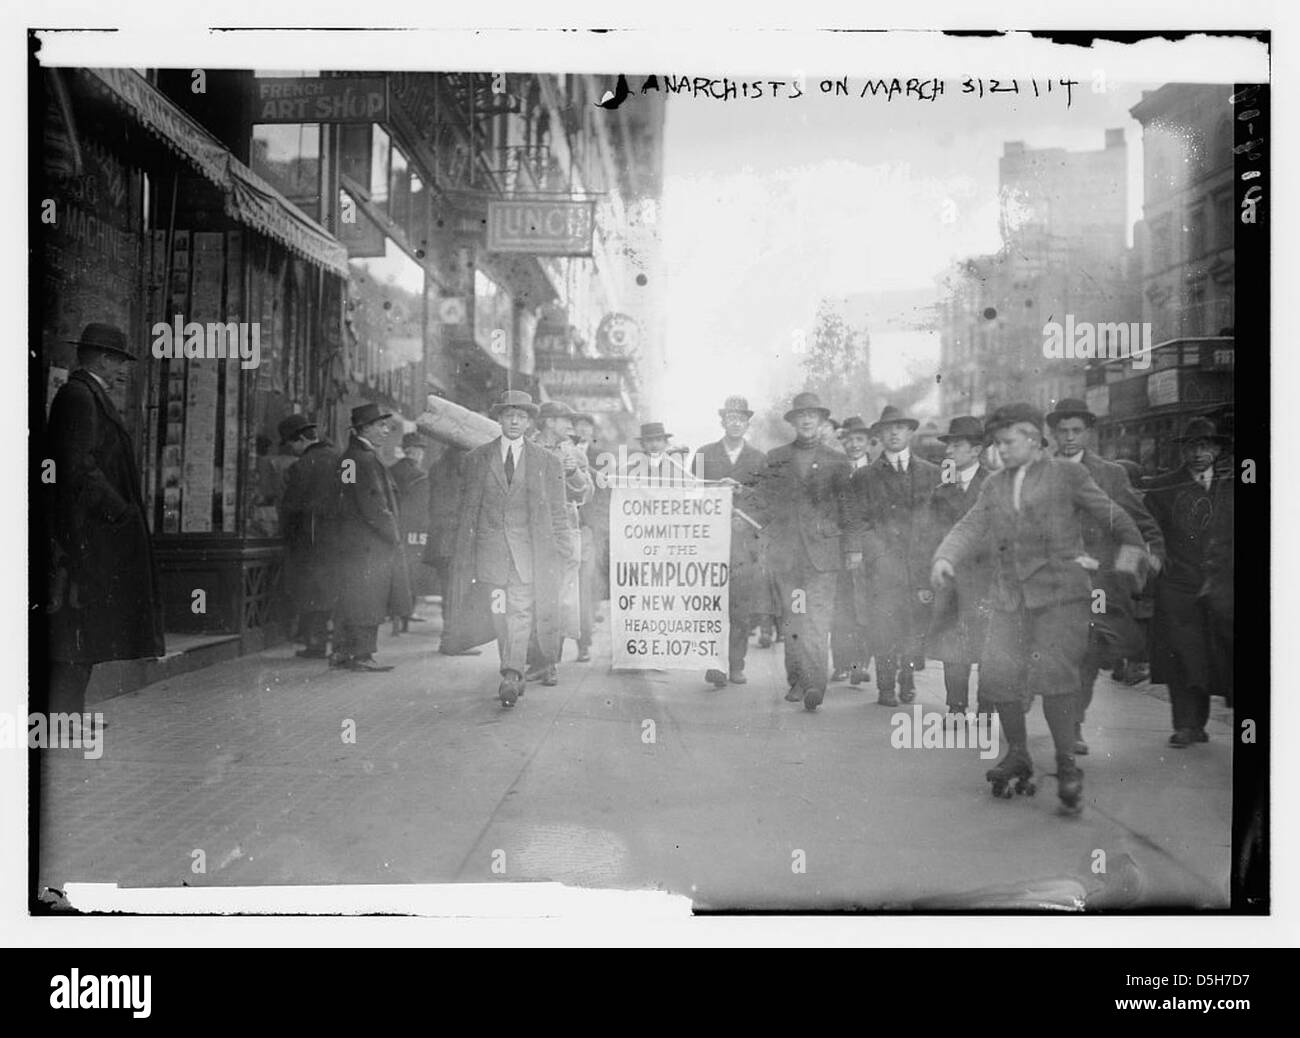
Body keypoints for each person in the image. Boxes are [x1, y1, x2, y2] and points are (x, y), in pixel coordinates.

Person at [931, 403, 1146, 812]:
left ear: (1032, 439)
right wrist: (945, 557)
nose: (1001, 450)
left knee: (1056, 677)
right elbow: (971, 525)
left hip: (1060, 595)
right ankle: (1018, 753)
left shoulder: (1068, 474)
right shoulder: (994, 485)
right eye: (996, 443)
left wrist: (1131, 557)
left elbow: (1114, 515)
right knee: (998, 677)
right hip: (1010, 597)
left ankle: (1067, 766)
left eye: (1008, 442)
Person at [45, 322, 164, 713]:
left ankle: (70, 714)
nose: (123, 370)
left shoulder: (86, 395)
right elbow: (79, 466)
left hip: (93, 533)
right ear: (101, 357)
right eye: (118, 361)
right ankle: (64, 718)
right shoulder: (79, 396)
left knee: (86, 627)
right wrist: (119, 510)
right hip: (85, 535)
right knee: (76, 629)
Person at [1047, 399, 1165, 753]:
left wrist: (1149, 556)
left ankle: (1074, 725)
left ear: (1088, 432)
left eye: (1076, 431)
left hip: (1095, 585)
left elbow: (1141, 523)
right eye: (1063, 431)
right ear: (1052, 433)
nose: (1069, 438)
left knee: (1086, 655)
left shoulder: (1111, 474)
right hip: (1048, 579)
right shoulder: (1039, 470)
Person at [441, 390, 573, 708]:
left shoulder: (547, 461)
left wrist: (564, 549)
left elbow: (559, 511)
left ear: (529, 422)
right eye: (508, 415)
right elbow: (464, 508)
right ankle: (513, 669)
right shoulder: (476, 459)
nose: (514, 421)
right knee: (501, 613)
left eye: (521, 416)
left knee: (520, 610)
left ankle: (511, 674)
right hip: (489, 554)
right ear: (498, 419)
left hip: (529, 554)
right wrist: (461, 551)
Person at [753, 392, 851, 711]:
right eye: (801, 416)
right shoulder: (776, 458)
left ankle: (814, 684)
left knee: (816, 621)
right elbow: (763, 501)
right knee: (794, 619)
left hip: (822, 558)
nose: (807, 420)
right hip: (789, 557)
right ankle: (795, 679)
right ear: (793, 422)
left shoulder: (837, 461)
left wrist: (849, 548)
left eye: (813, 416)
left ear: (822, 422)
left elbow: (846, 509)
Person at [1143, 416, 1234, 747]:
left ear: (1217, 450)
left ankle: (1199, 723)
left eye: (1206, 446)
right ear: (1183, 451)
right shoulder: (1163, 488)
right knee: (1181, 655)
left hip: (1220, 586)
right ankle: (1184, 724)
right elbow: (1150, 534)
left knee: (1211, 656)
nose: (1199, 453)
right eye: (1192, 446)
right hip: (1178, 584)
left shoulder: (1230, 486)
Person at [852, 405, 941, 707]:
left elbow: (938, 519)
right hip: (884, 564)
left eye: (900, 427)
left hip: (920, 563)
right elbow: (859, 521)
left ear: (910, 432)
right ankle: (886, 686)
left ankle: (908, 675)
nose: (893, 433)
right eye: (888, 429)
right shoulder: (865, 476)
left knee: (916, 623)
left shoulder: (931, 473)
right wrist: (875, 555)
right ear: (878, 435)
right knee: (884, 624)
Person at [691, 395, 774, 688]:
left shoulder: (759, 458)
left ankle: (736, 664)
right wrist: (715, 490)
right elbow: (693, 497)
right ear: (722, 421)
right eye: (730, 418)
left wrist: (742, 495)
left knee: (739, 607)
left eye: (741, 418)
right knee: (712, 606)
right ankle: (715, 664)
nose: (735, 423)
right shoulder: (704, 454)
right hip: (711, 543)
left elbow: (766, 500)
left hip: (743, 545)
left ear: (747, 423)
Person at [332, 403, 411, 672]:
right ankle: (362, 655)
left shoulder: (350, 457)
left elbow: (346, 498)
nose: (386, 430)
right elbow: (373, 504)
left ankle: (343, 653)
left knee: (352, 598)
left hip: (352, 542)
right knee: (369, 599)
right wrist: (393, 533)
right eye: (381, 425)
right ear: (365, 428)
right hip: (369, 544)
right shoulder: (364, 459)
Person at [926, 416, 993, 717]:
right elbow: (930, 536)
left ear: (976, 450)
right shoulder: (942, 490)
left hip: (986, 579)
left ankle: (988, 705)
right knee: (953, 644)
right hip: (951, 580)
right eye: (948, 445)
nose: (949, 451)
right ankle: (956, 705)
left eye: (957, 445)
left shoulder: (993, 485)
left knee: (989, 645)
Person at [529, 401, 592, 678]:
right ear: (548, 422)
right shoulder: (526, 448)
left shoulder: (574, 452)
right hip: (530, 531)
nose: (570, 425)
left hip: (565, 531)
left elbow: (586, 493)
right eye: (565, 419)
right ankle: (534, 659)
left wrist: (573, 473)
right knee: (529, 596)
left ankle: (549, 662)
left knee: (560, 598)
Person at [277, 413, 340, 659]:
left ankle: (315, 644)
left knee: (311, 592)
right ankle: (330, 643)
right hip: (337, 539)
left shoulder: (301, 466)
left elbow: (290, 508)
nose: (292, 450)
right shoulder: (339, 459)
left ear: (302, 439)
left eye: (292, 444)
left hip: (308, 541)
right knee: (330, 590)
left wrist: (287, 537)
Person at [423, 443, 478, 654]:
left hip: (441, 540)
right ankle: (452, 642)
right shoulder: (459, 468)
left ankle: (450, 639)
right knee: (456, 592)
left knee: (450, 592)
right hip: (453, 541)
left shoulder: (439, 466)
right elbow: (455, 506)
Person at [832, 415, 874, 687]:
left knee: (866, 607)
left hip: (871, 550)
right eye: (849, 440)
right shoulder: (834, 469)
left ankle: (862, 662)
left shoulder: (877, 470)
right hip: (837, 548)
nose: (855, 445)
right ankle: (841, 664)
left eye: (860, 440)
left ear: (868, 442)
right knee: (841, 607)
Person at [388, 431, 432, 633]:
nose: (421, 454)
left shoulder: (390, 471)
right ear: (412, 451)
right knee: (413, 570)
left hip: (392, 526)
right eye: (420, 450)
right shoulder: (420, 475)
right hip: (413, 528)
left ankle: (395, 613)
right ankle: (408, 611)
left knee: (395, 570)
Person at [572, 411, 606, 656]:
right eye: (578, 426)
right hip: (562, 527)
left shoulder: (602, 457)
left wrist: (598, 527)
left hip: (588, 530)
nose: (583, 431)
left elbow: (606, 495)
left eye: (587, 426)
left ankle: (584, 643)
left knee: (585, 586)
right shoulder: (562, 451)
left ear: (593, 432)